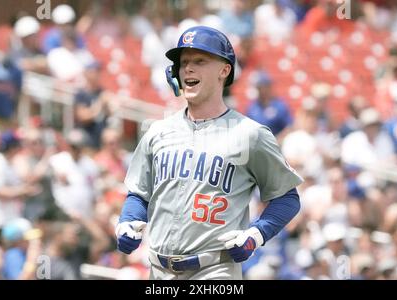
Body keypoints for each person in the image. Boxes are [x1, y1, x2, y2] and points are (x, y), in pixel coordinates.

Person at [115, 26, 303, 280]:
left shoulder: (249, 133)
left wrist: (256, 234)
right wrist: (127, 220)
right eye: (184, 62)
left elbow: (287, 197)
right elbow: (139, 193)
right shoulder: (157, 131)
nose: (188, 69)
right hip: (158, 272)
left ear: (224, 70)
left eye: (200, 61)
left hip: (215, 270)